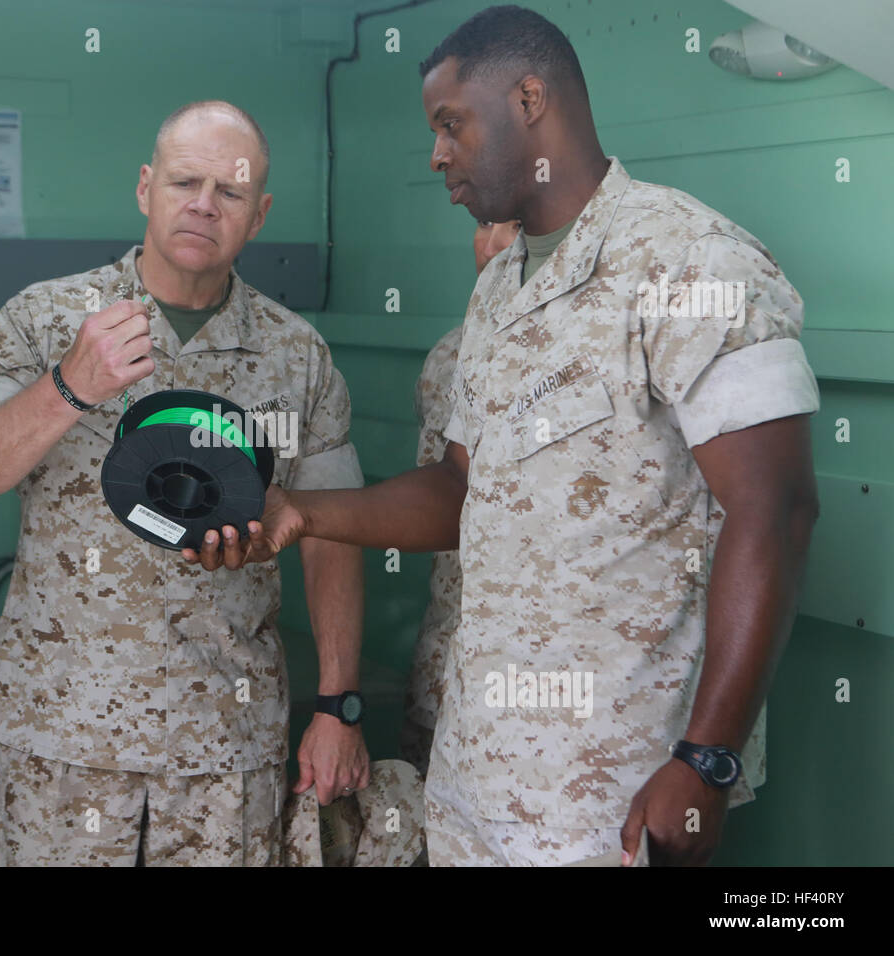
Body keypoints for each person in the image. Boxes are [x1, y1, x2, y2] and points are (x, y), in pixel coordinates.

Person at [183, 6, 821, 867]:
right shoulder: (503, 288)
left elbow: (776, 510)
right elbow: (458, 490)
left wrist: (706, 759)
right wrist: (300, 510)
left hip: (613, 789)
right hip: (478, 779)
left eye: (451, 125)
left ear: (530, 98)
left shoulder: (689, 262)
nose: (437, 155)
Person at [0, 100, 369, 866]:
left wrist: (339, 703)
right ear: (145, 189)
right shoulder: (46, 319)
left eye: (229, 191)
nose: (204, 203)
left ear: (258, 215)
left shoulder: (297, 358)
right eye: (183, 181)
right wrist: (68, 385)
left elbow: (335, 533)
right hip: (61, 741)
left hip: (221, 749)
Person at [401, 219, 519, 776]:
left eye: (517, 226)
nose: (493, 244)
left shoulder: (615, 348)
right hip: (451, 662)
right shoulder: (450, 358)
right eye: (482, 224)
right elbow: (442, 504)